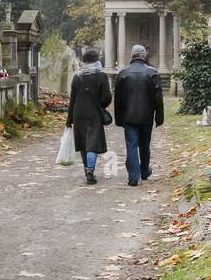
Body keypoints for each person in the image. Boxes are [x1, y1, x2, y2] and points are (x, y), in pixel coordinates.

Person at [113, 43, 164, 187]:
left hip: (128, 117)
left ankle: (133, 177)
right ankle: (144, 171)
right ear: (144, 56)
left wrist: (118, 119)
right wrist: (159, 117)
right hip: (146, 116)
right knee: (144, 145)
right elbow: (158, 99)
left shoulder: (123, 73)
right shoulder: (152, 72)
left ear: (132, 56)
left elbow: (118, 99)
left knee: (131, 145)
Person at [66, 47, 111, 185]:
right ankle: (90, 169)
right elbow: (106, 98)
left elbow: (72, 99)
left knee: (83, 143)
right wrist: (101, 105)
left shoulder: (77, 77)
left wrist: (69, 120)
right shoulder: (101, 76)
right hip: (94, 113)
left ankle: (87, 170)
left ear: (84, 61)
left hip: (78, 113)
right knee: (93, 143)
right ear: (97, 60)